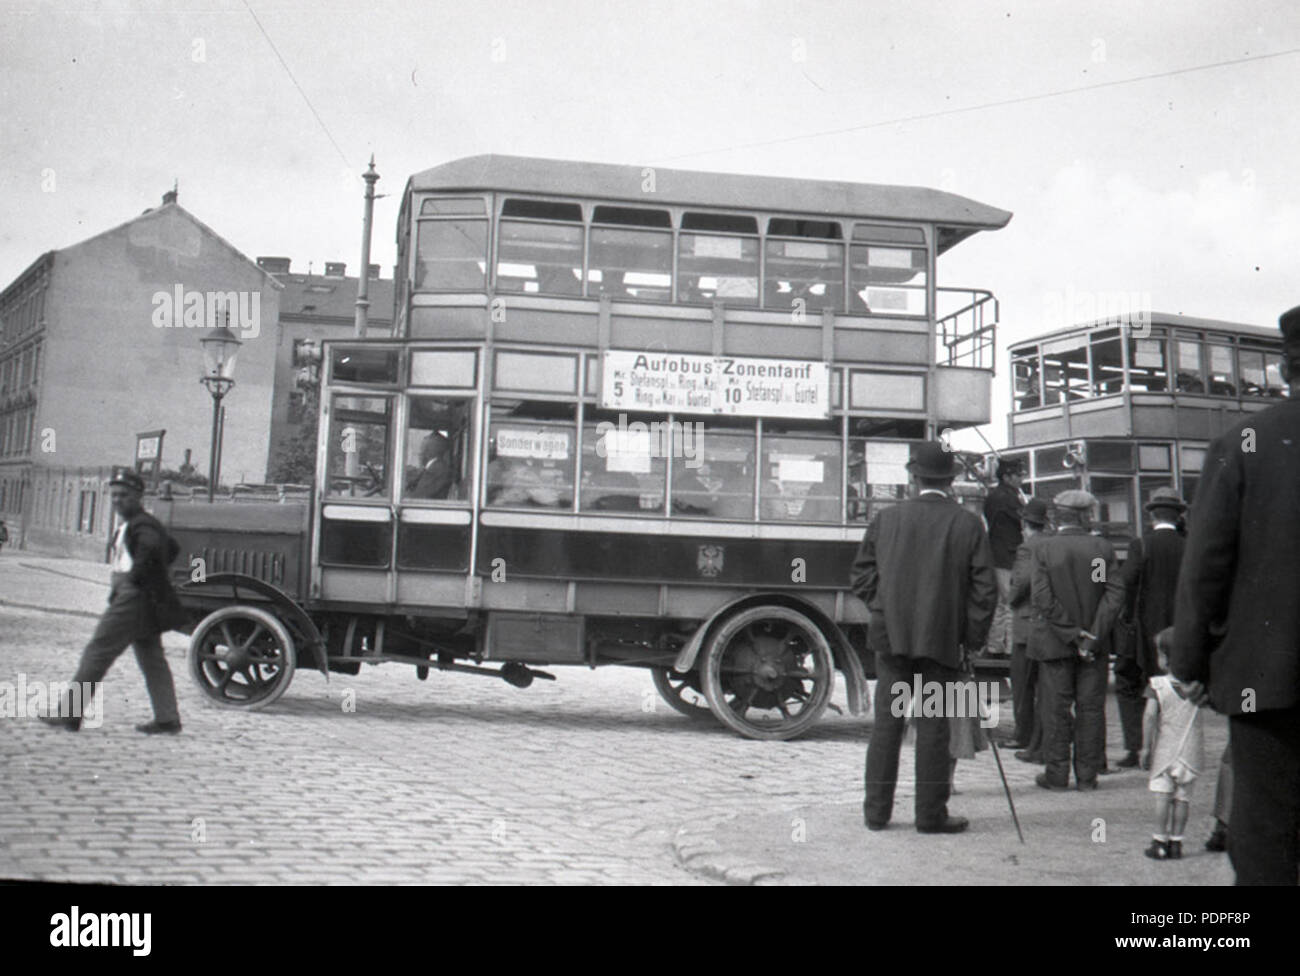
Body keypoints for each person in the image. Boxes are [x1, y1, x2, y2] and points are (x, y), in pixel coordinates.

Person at [1170, 305, 1300, 885]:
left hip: (1264, 681)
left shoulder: (1241, 443)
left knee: (1266, 826)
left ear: (1283, 368)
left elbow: (1206, 567)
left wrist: (1190, 664)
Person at [851, 441, 996, 834]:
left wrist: (885, 608)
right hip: (942, 644)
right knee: (933, 728)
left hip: (892, 641)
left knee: (888, 725)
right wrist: (971, 638)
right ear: (951, 481)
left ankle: (876, 814)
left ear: (913, 477)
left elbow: (861, 576)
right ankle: (930, 815)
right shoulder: (967, 524)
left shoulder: (887, 519)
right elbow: (984, 591)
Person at [39, 468, 186, 734]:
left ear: (138, 496)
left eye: (124, 495)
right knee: (152, 657)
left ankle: (70, 714)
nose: (118, 500)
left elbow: (153, 548)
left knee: (98, 650)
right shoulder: (135, 524)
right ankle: (167, 718)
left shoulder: (142, 524)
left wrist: (136, 577)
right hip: (141, 596)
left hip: (133, 596)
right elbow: (171, 547)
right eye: (114, 495)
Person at [1029, 489, 1125, 791]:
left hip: (1056, 644)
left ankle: (1056, 775)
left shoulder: (1044, 549)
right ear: (1085, 516)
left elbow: (1042, 598)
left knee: (1056, 709)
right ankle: (1087, 775)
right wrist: (1091, 635)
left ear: (1059, 516)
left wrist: (1071, 633)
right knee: (1091, 709)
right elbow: (1111, 595)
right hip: (1093, 648)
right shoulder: (1099, 549)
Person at [1115, 488, 1188, 768]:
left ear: (1152, 515)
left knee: (1130, 685)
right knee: (1176, 688)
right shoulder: (1189, 545)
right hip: (1180, 631)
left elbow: (1126, 581)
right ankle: (1176, 748)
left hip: (1144, 632)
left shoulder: (1140, 545)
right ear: (1178, 515)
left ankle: (1136, 748)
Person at [1141, 627, 1206, 860]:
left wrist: (1146, 747)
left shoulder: (1157, 685)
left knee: (1162, 797)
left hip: (1165, 753)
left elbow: (1150, 716)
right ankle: (1177, 843)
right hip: (1191, 752)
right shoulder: (1198, 686)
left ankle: (1159, 840)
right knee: (1182, 799)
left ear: (1166, 658)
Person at [1007, 497, 1052, 757]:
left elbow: (1021, 581)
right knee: (1046, 687)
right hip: (1050, 626)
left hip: (1025, 627)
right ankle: (1042, 738)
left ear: (1025, 523)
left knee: (1022, 685)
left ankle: (1023, 735)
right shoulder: (1055, 544)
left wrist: (1010, 599)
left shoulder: (1026, 548)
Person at [982, 458, 1025, 657]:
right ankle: (1010, 647)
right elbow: (1022, 522)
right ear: (1007, 476)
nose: (1021, 479)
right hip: (1008, 553)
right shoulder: (1009, 498)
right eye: (1018, 475)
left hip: (996, 553)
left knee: (1000, 602)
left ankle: (995, 645)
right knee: (1011, 601)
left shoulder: (993, 496)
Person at [407, 432, 455, 499]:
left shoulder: (438, 470)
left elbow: (417, 496)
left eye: (422, 449)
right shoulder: (433, 468)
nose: (419, 453)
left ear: (429, 451)